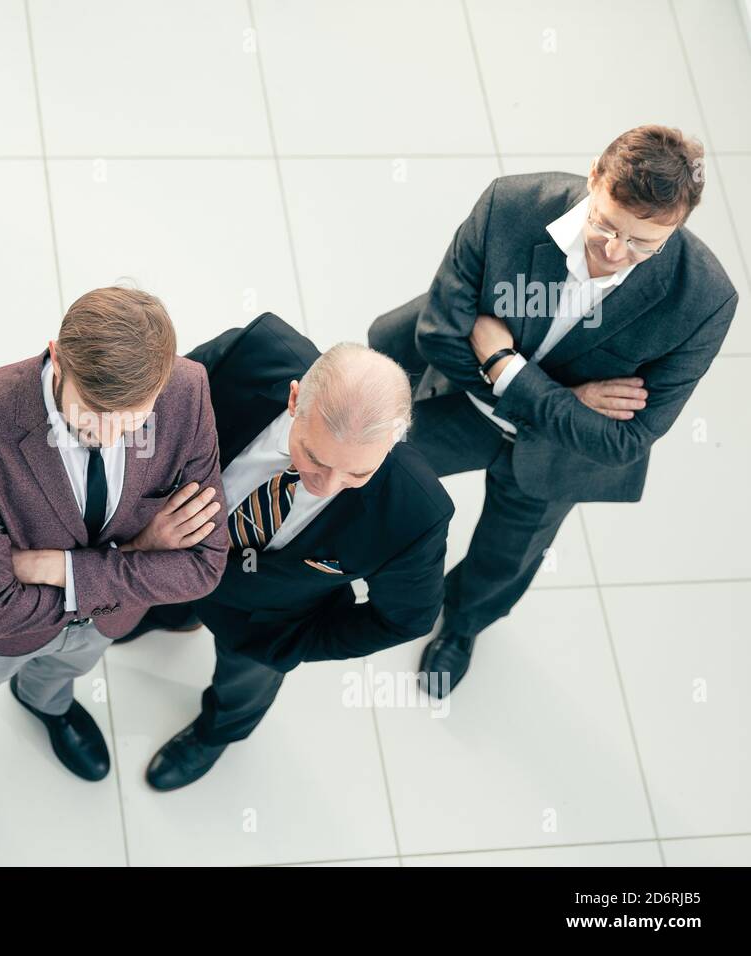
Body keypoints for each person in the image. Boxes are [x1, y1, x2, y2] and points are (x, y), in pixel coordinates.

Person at [369, 124, 738, 697]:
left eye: (645, 244)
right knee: (373, 477)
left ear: (679, 225)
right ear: (594, 175)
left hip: (559, 455)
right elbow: (441, 334)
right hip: (462, 403)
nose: (616, 254)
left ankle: (461, 628)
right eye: (607, 225)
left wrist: (505, 366)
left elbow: (626, 440)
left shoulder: (706, 299)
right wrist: (570, 402)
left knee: (505, 561)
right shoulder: (509, 205)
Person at [0, 287, 230, 842]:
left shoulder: (186, 390)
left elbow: (203, 566)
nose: (106, 437)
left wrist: (71, 570)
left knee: (65, 669)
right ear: (57, 357)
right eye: (93, 415)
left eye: (131, 422)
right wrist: (143, 555)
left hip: (105, 619)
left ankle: (43, 701)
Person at [120, 316, 454, 790]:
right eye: (314, 457)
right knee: (170, 600)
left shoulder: (414, 513)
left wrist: (295, 642)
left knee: (241, 690)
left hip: (264, 625)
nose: (327, 484)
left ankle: (216, 734)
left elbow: (407, 619)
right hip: (173, 552)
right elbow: (154, 414)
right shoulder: (251, 353)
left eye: (356, 474)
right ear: (295, 399)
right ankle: (175, 615)